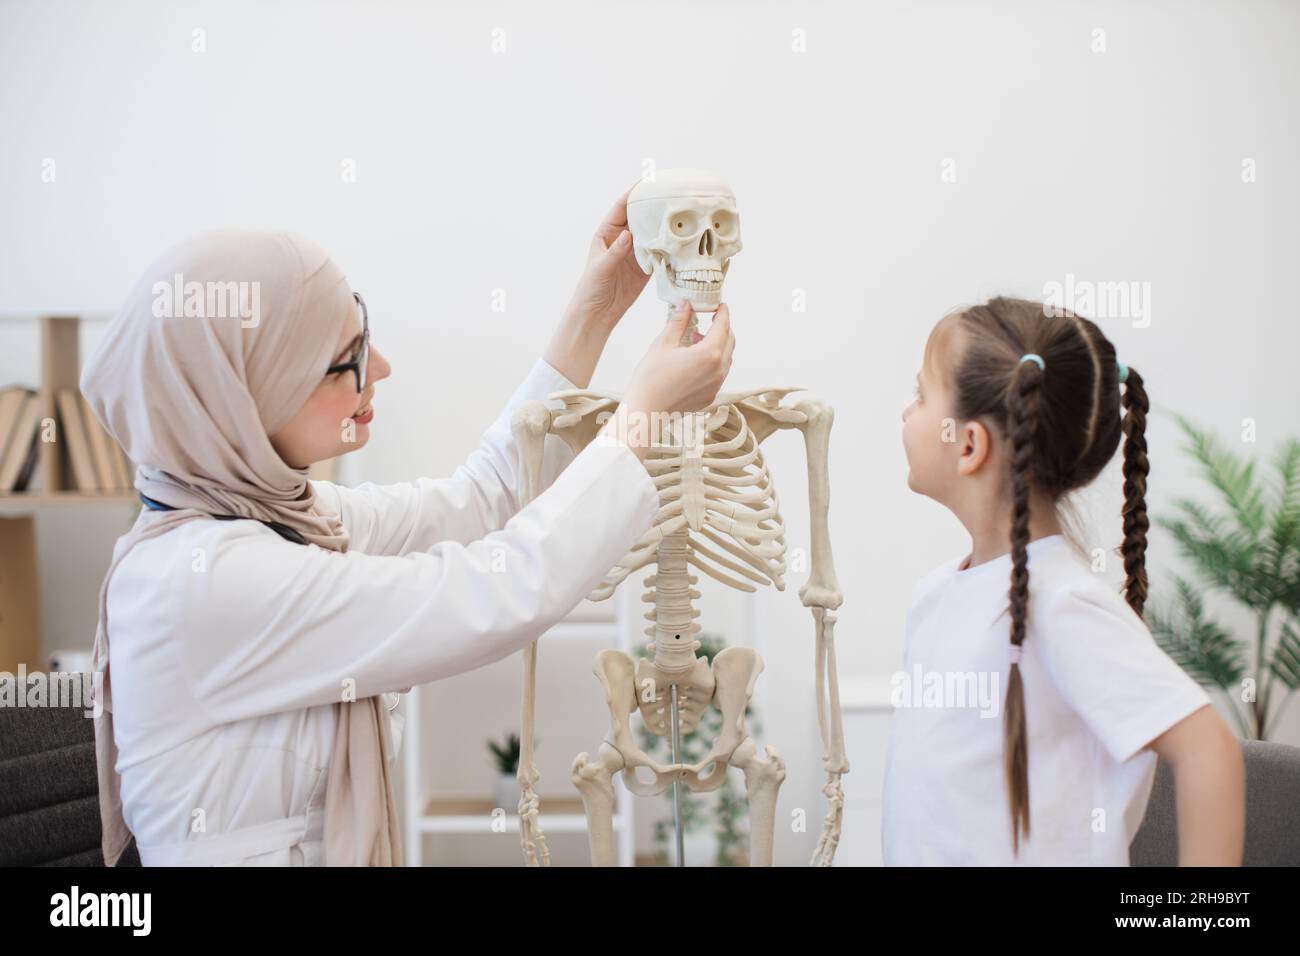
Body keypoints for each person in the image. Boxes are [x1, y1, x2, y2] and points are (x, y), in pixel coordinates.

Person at [80, 189, 735, 866]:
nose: (382, 370)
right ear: (246, 397)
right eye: (349, 358)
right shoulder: (204, 583)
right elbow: (497, 592)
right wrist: (643, 421)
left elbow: (481, 499)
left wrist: (595, 311)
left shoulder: (283, 520)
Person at [886, 296, 1245, 865]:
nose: (906, 413)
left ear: (970, 445)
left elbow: (1210, 751)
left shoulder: (1063, 603)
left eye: (921, 395)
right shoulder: (935, 596)